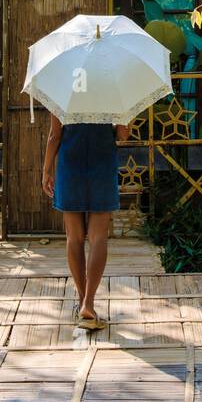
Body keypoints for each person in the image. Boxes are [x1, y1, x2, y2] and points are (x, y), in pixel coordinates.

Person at [42, 115, 130, 330]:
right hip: (102, 164)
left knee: (74, 237)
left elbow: (55, 135)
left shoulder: (63, 87)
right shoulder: (114, 89)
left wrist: (46, 170)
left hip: (70, 164)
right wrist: (128, 115)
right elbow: (123, 135)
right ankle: (88, 303)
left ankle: (83, 304)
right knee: (98, 238)